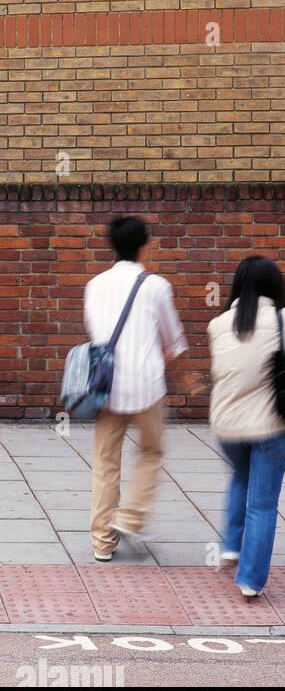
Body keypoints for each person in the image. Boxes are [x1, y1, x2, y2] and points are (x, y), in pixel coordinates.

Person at [85, 215, 195, 562]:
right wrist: (186, 375)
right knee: (151, 452)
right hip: (147, 386)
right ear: (145, 246)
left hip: (107, 386)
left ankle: (102, 542)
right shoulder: (156, 286)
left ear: (113, 247)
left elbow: (95, 335)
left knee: (105, 462)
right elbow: (174, 340)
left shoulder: (95, 285)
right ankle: (129, 517)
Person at [208, 256, 285, 598]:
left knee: (240, 477)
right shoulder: (284, 319)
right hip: (269, 426)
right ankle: (250, 582)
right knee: (263, 504)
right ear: (275, 286)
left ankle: (230, 547)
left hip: (226, 426)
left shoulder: (219, 323)